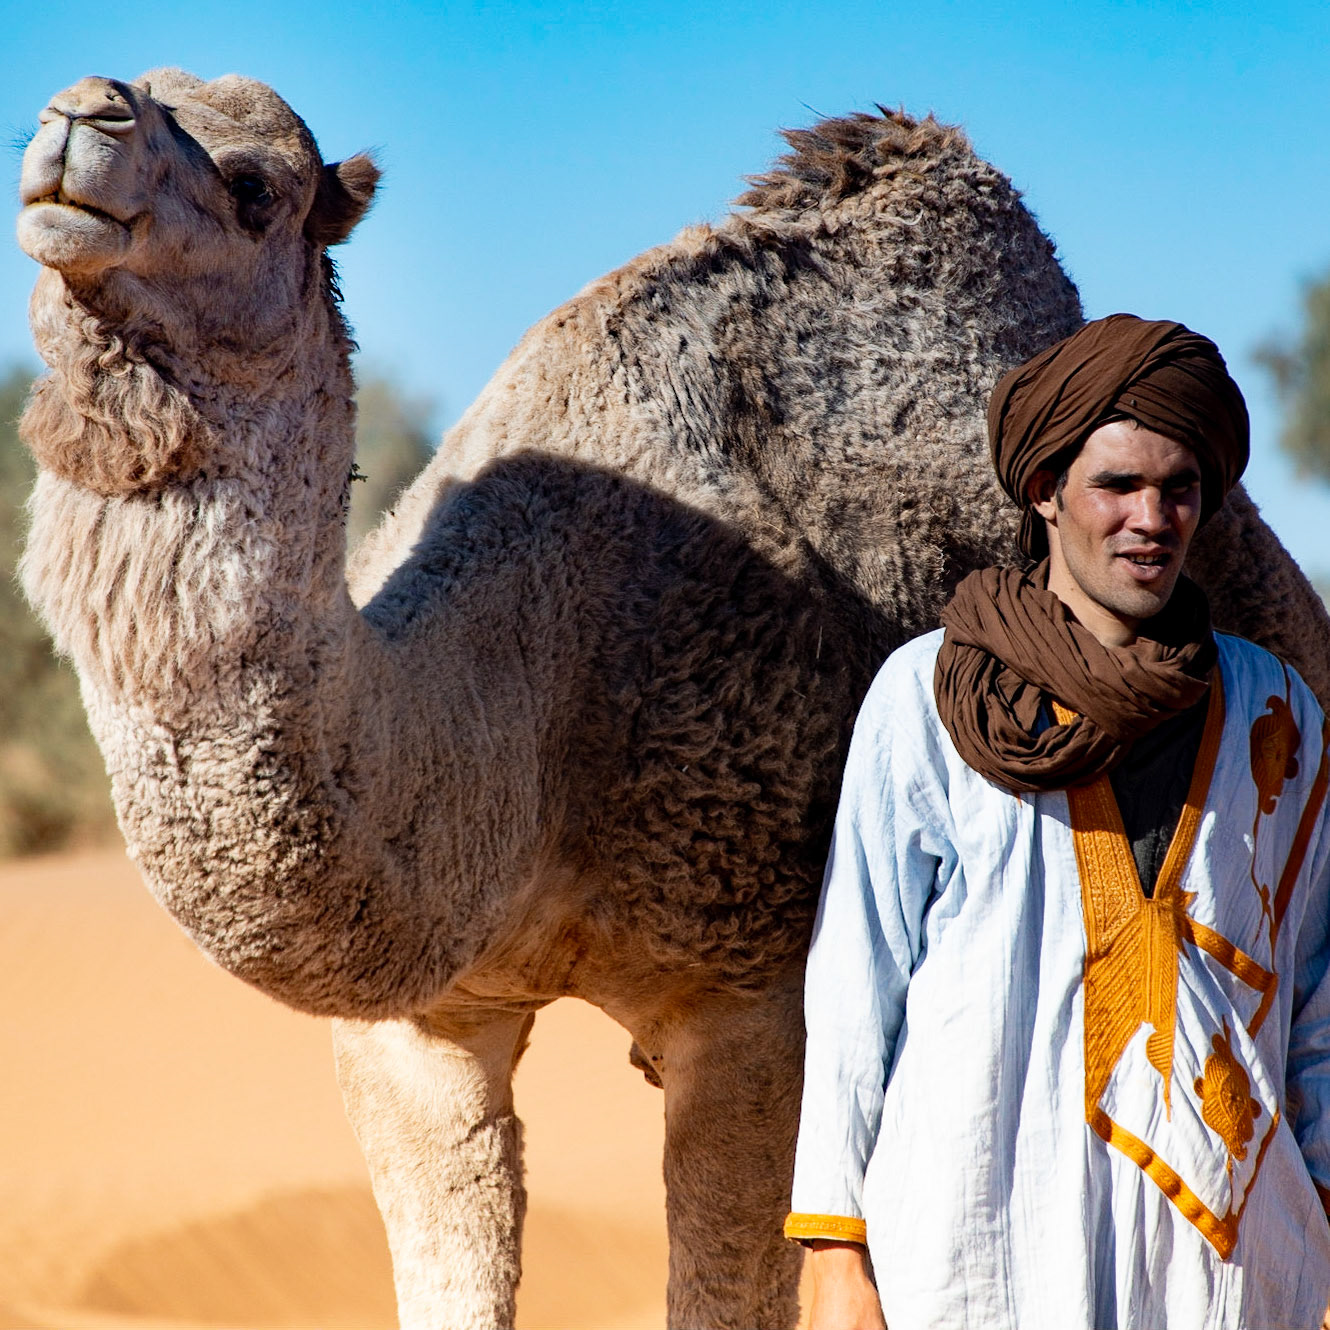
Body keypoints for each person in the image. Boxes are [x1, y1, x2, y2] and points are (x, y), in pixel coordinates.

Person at [784, 314, 1330, 1329]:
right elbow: (857, 984)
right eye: (1117, 485)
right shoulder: (928, 698)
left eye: (1180, 488)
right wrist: (833, 1249)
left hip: (1223, 1270)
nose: (1152, 518)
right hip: (973, 1248)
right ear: (1043, 492)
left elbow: (1318, 1003)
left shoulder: (1277, 714)